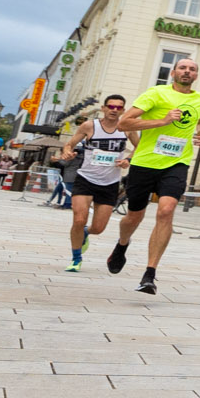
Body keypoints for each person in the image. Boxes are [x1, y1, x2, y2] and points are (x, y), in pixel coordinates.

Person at [108, 57, 200, 296]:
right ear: (173, 72)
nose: (187, 71)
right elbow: (124, 124)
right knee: (134, 217)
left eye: (192, 69)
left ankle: (149, 274)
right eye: (183, 68)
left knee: (166, 209)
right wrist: (162, 121)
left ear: (196, 75)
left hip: (177, 162)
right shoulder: (155, 94)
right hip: (145, 163)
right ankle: (122, 244)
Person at [56, 97, 133, 271]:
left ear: (123, 110)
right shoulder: (89, 126)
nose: (114, 110)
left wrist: (128, 159)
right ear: (103, 108)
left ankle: (85, 233)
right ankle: (76, 258)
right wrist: (67, 152)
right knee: (79, 219)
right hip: (86, 178)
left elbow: (141, 147)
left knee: (98, 228)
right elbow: (69, 145)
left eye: (118, 108)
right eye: (111, 106)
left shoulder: (126, 128)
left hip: (110, 183)